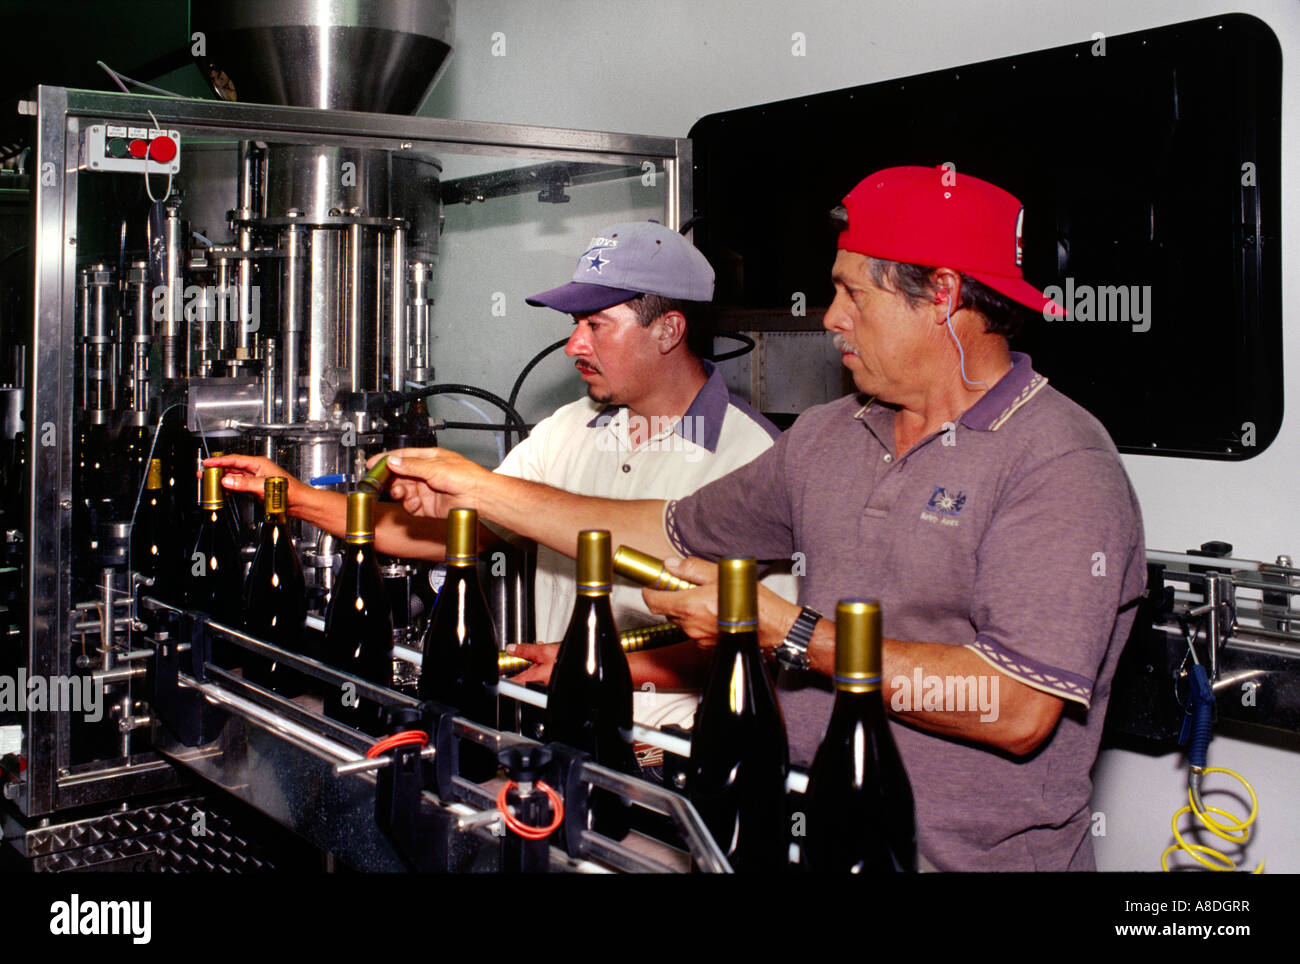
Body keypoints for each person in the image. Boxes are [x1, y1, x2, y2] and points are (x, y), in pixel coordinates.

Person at [376, 166, 1147, 872]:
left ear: (942, 295)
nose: (831, 318)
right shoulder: (831, 435)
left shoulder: (1058, 462)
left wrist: (787, 631)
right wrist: (483, 491)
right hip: (793, 838)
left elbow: (1012, 707)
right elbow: (670, 530)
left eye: (855, 293)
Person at [209, 220, 788, 691]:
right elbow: (450, 534)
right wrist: (291, 496)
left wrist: (595, 664)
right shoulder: (571, 427)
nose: (573, 345)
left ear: (668, 331)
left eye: (596, 325)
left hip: (672, 752)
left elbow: (765, 642)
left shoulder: (753, 455)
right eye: (573, 324)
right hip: (562, 726)